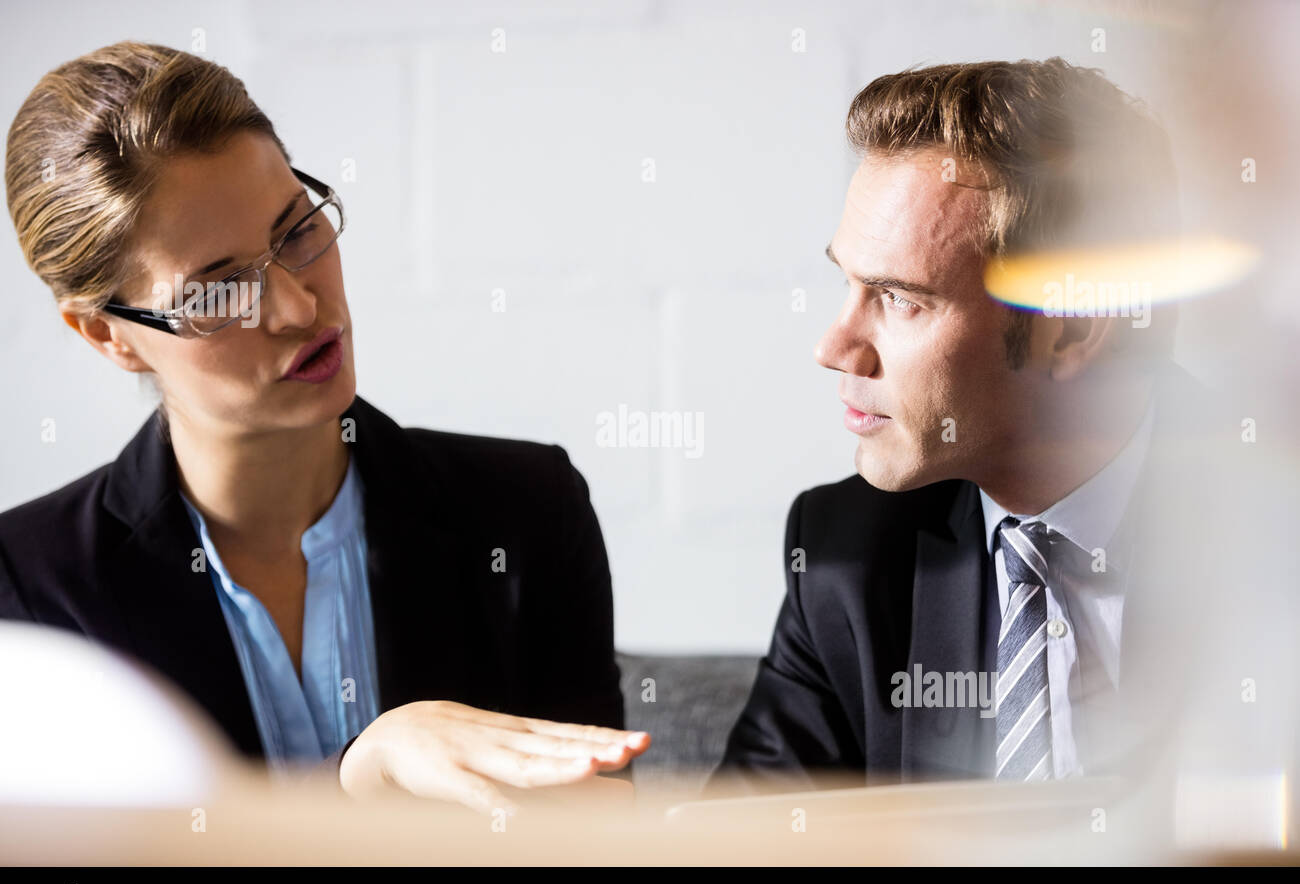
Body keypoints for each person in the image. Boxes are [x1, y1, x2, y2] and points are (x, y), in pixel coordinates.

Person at [0, 41, 648, 813]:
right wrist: (361, 780)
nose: (299, 309)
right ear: (106, 335)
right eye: (219, 291)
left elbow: (594, 846)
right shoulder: (27, 594)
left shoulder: (529, 512)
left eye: (298, 230)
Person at [712, 58, 1260, 793]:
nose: (833, 347)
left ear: (1067, 330)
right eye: (847, 282)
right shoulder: (845, 556)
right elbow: (745, 840)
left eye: (899, 298)